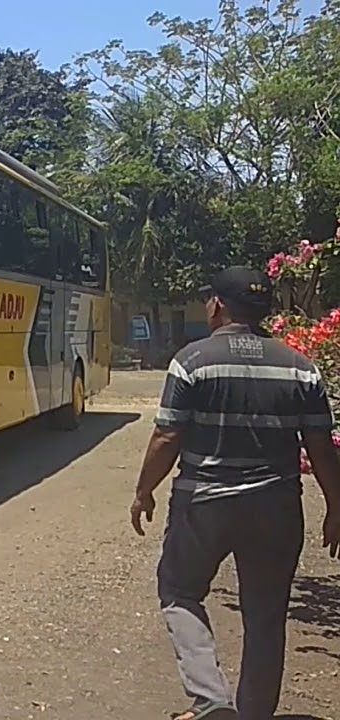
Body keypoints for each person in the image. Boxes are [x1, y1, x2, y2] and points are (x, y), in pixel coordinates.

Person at [129, 266, 340, 720]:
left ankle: (210, 700)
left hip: (204, 503)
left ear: (218, 305)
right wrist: (336, 506)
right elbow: (320, 445)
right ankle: (254, 714)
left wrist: (144, 491)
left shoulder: (192, 361)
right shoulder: (300, 367)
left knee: (179, 591)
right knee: (266, 614)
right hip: (276, 506)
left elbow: (167, 436)